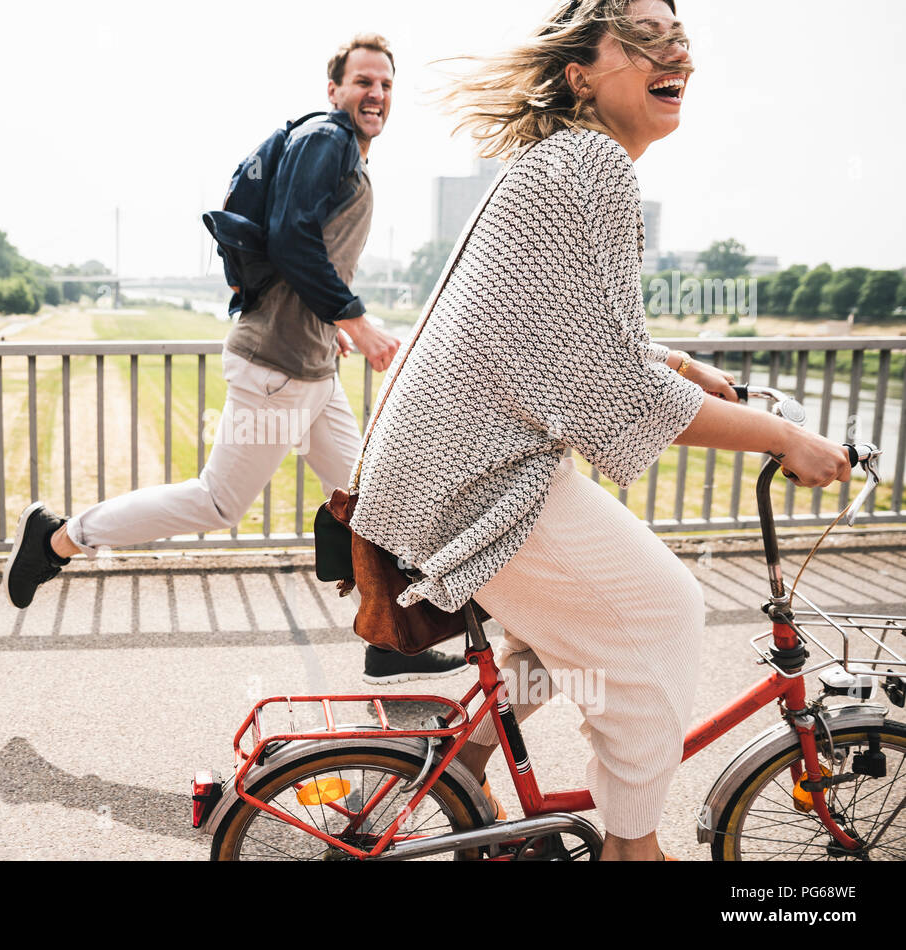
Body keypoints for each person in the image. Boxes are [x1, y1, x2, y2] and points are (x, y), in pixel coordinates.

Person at [347, 0, 852, 860]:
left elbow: (585, 338)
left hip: (436, 467)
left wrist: (684, 368)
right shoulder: (593, 166)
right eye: (646, 35)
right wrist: (783, 439)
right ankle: (632, 847)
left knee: (563, 631)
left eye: (680, 33)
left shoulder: (562, 161)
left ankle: (453, 772)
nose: (676, 49)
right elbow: (607, 383)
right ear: (581, 73)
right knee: (664, 611)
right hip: (476, 477)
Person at [5, 34, 470, 684]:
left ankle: (388, 639)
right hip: (279, 372)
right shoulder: (328, 138)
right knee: (217, 503)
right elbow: (289, 236)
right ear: (334, 88)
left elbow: (303, 251)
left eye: (387, 84)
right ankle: (57, 539)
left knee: (368, 501)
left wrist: (327, 325)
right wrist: (355, 320)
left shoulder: (341, 154)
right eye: (364, 81)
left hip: (311, 371)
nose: (377, 94)